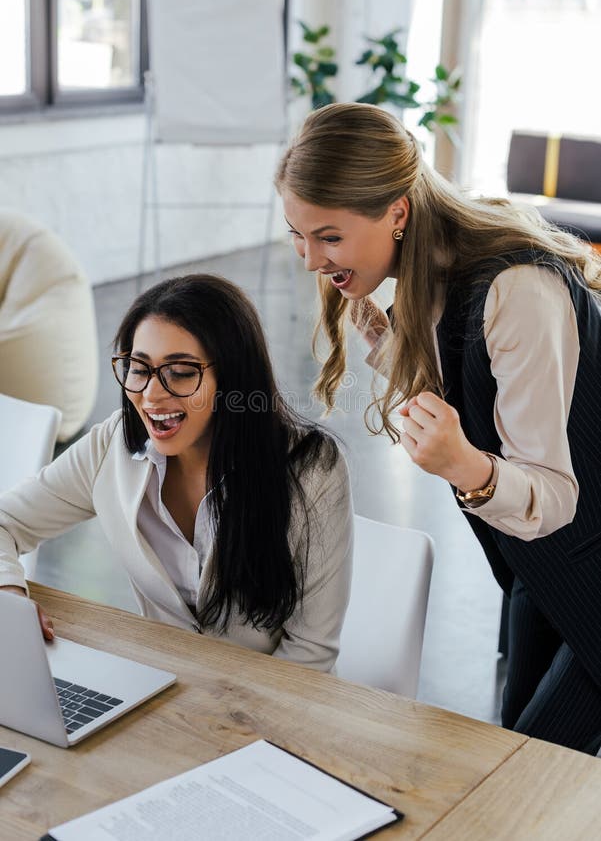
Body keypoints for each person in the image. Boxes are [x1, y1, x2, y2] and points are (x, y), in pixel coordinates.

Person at [275, 101, 601, 753]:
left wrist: (461, 466)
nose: (311, 259)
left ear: (396, 210)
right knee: (521, 754)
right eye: (298, 235)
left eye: (329, 236)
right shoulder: (429, 264)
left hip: (580, 548)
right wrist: (380, 330)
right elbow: (463, 372)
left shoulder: (518, 289)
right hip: (540, 563)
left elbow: (553, 492)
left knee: (525, 775)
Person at [0, 274, 353, 673]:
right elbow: (4, 522)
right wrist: (9, 593)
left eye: (181, 372)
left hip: (271, 712)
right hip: (161, 693)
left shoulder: (313, 468)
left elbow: (310, 654)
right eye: (139, 368)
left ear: (233, 378)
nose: (152, 395)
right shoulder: (109, 447)